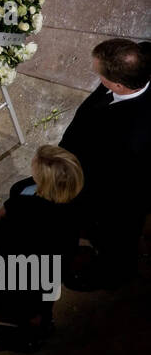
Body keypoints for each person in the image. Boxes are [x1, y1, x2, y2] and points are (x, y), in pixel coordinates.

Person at [60, 38, 151, 287]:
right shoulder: (143, 57)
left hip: (117, 197)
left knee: (117, 238)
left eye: (101, 75)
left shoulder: (128, 136)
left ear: (119, 85)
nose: (97, 77)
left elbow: (110, 183)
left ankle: (115, 273)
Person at [0, 145, 84, 349]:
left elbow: (3, 239)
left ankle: (31, 337)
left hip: (27, 270)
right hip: (54, 268)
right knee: (43, 300)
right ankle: (42, 322)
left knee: (24, 305)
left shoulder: (26, 206)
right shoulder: (74, 204)